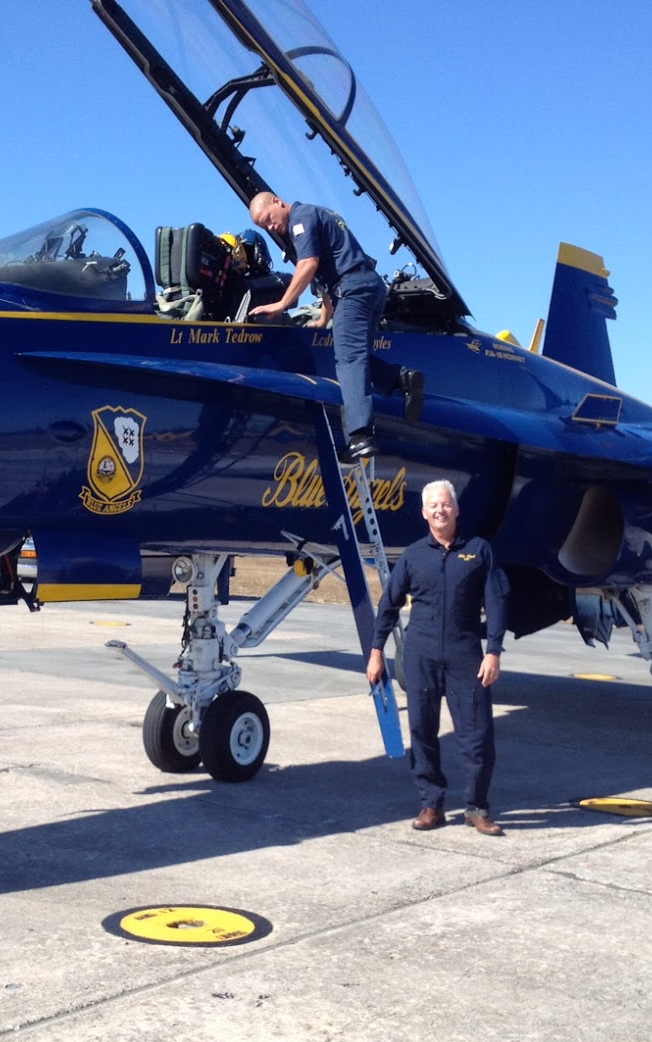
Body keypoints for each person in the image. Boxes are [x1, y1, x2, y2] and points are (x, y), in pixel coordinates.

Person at [367, 479, 508, 835]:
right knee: (422, 731)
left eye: (445, 505)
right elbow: (389, 604)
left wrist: (493, 651)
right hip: (421, 654)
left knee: (478, 735)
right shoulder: (414, 555)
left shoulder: (479, 551)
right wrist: (376, 650)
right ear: (424, 513)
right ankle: (431, 804)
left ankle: (477, 808)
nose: (440, 511)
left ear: (456, 509)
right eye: (433, 506)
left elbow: (496, 602)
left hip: (466, 654)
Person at [246, 191, 422, 461]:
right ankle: (400, 379)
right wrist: (323, 319)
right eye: (264, 227)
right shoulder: (316, 214)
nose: (270, 227)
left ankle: (360, 436)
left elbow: (308, 265)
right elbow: (327, 280)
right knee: (354, 354)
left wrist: (281, 305)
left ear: (277, 202)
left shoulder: (300, 219)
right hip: (368, 286)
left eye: (268, 219)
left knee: (349, 358)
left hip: (353, 290)